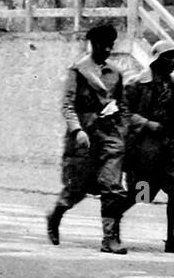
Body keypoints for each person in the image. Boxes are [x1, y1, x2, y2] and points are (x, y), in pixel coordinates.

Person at [47, 23, 131, 254]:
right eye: (102, 45)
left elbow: (123, 105)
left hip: (109, 135)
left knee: (112, 187)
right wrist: (77, 130)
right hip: (85, 136)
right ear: (92, 44)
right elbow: (67, 105)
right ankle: (55, 216)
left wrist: (121, 131)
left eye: (110, 46)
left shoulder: (115, 74)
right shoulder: (78, 71)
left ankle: (110, 239)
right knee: (78, 188)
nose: (106, 50)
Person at [124, 39, 174, 255]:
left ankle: (173, 240)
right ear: (157, 60)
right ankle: (112, 217)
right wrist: (147, 124)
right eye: (169, 56)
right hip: (146, 148)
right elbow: (123, 113)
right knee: (141, 193)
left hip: (170, 148)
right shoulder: (136, 83)